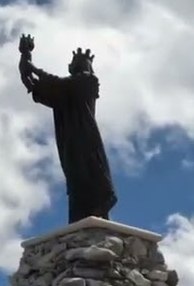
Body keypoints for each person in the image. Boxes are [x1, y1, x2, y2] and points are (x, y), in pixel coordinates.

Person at [17, 34, 118, 224]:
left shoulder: (87, 83)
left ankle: (97, 218)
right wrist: (25, 55)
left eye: (83, 63)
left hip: (86, 139)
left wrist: (32, 67)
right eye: (77, 62)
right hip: (69, 143)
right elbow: (31, 82)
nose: (81, 66)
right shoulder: (63, 94)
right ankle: (81, 222)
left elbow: (56, 83)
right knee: (75, 179)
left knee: (92, 175)